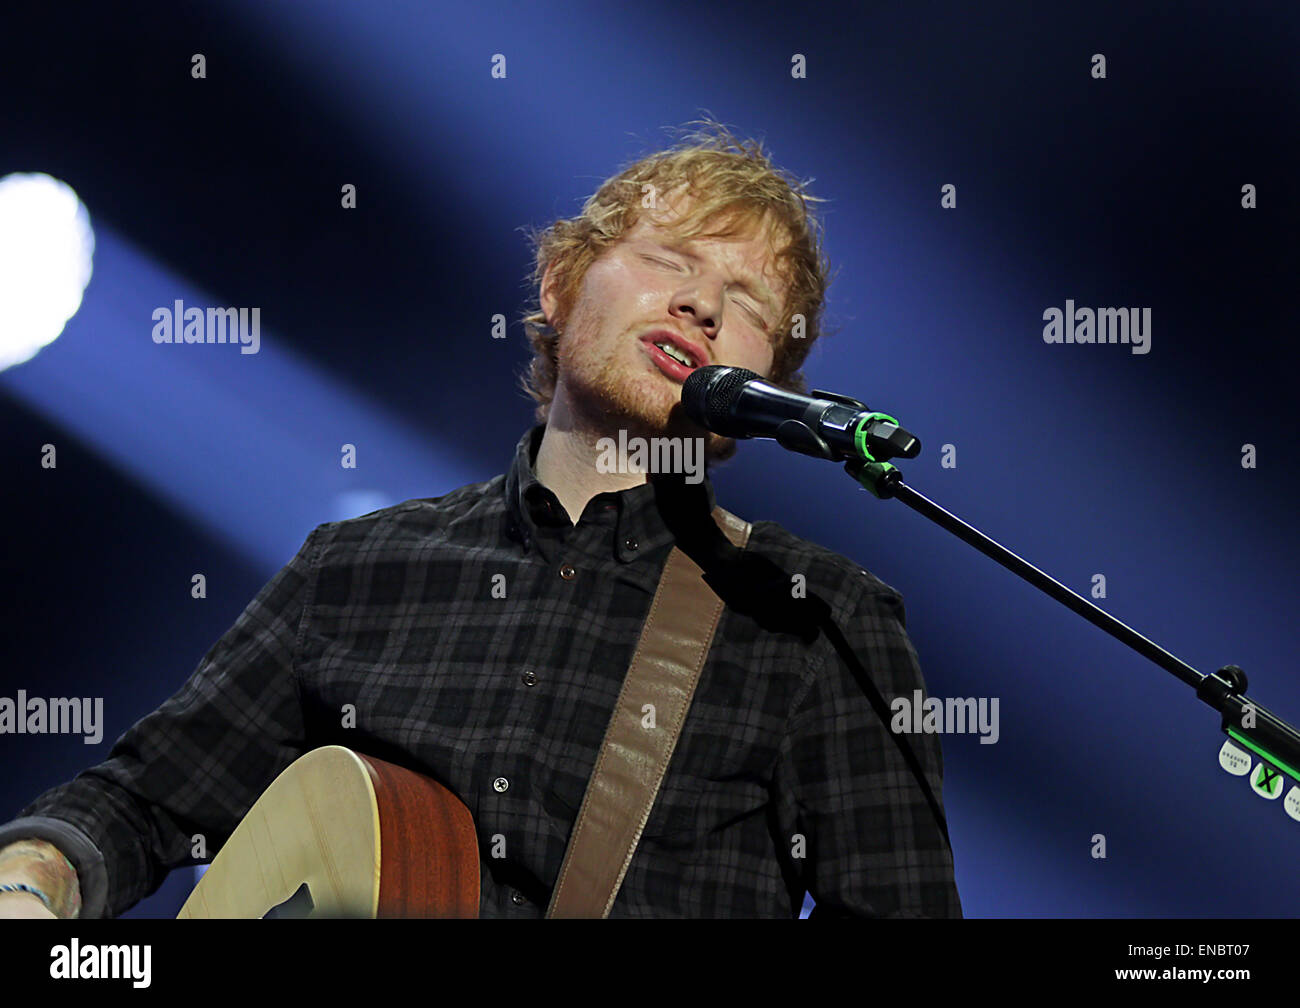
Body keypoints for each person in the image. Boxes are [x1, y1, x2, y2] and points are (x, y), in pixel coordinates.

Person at [0, 120, 962, 919]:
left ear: (763, 388)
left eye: (747, 302)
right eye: (669, 260)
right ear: (559, 286)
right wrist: (33, 884)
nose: (702, 302)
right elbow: (142, 801)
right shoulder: (356, 568)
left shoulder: (813, 616)